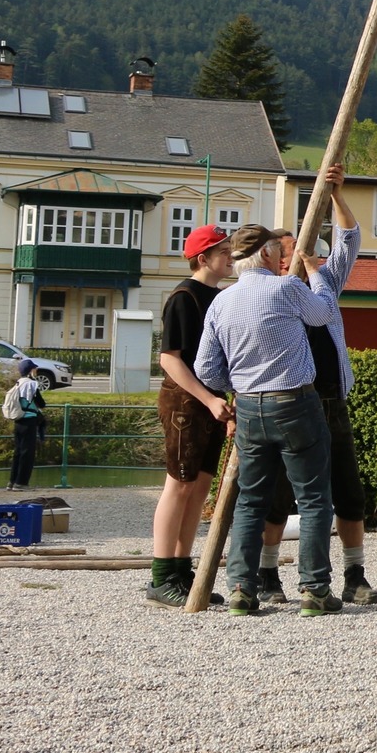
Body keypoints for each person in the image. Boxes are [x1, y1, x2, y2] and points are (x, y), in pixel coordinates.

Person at [193, 167, 359, 617]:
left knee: (251, 500)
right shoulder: (287, 288)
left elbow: (205, 367)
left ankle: (241, 591)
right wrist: (316, 275)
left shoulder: (221, 301)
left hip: (250, 406)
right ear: (268, 254)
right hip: (296, 402)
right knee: (313, 498)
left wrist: (242, 386)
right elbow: (324, 313)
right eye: (278, 250)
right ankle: (314, 590)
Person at [256, 234, 377, 606]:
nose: (298, 252)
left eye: (302, 246)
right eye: (289, 248)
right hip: (291, 401)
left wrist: (338, 195)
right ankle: (267, 575)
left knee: (349, 493)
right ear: (275, 258)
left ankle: (354, 575)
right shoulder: (272, 293)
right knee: (278, 495)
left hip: (331, 400)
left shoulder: (322, 285)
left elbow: (348, 244)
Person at [146, 223, 234, 606]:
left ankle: (182, 570)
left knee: (199, 487)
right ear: (204, 258)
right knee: (178, 485)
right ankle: (161, 575)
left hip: (211, 401)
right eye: (224, 253)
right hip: (185, 401)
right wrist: (209, 399)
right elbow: (169, 360)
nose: (230, 258)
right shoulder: (185, 297)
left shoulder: (219, 297)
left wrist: (222, 403)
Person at [6, 360, 47, 491]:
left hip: (18, 421)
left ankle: (12, 481)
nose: (36, 371)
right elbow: (41, 403)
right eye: (34, 369)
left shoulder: (18, 383)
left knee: (18, 452)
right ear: (30, 370)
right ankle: (21, 483)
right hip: (29, 421)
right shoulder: (31, 385)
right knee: (27, 453)